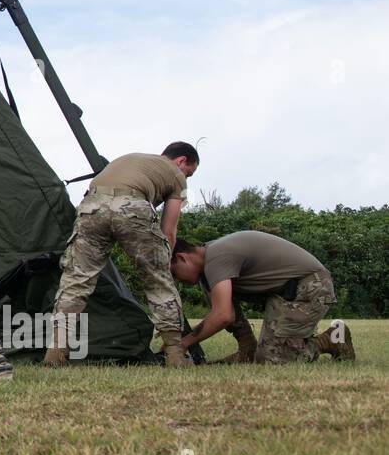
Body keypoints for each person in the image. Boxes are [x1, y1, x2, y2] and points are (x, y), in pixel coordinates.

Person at [44, 141, 200, 368]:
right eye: (190, 172)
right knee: (158, 283)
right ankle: (175, 356)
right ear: (181, 161)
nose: (188, 176)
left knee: (75, 282)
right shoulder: (176, 174)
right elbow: (169, 229)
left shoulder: (131, 158)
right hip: (133, 206)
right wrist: (164, 262)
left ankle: (55, 353)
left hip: (92, 206)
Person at [171, 231, 353, 364]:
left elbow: (223, 316)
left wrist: (183, 343)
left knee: (272, 360)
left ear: (182, 258)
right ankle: (247, 348)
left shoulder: (216, 258)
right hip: (285, 292)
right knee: (210, 287)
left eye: (175, 274)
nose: (177, 281)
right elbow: (228, 312)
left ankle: (333, 338)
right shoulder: (209, 265)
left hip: (311, 287)